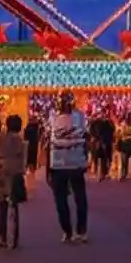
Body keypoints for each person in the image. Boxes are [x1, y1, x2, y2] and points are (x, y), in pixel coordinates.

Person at [46, 91, 89, 243]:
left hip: (58, 164)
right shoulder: (80, 117)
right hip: (76, 162)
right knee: (80, 197)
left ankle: (68, 231)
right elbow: (85, 137)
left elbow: (49, 141)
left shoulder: (53, 117)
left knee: (61, 199)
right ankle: (81, 231)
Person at [0, 114, 27, 249]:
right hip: (15, 176)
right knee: (14, 205)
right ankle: (14, 236)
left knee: (2, 208)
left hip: (0, 175)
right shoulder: (21, 142)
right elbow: (23, 162)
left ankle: (3, 238)